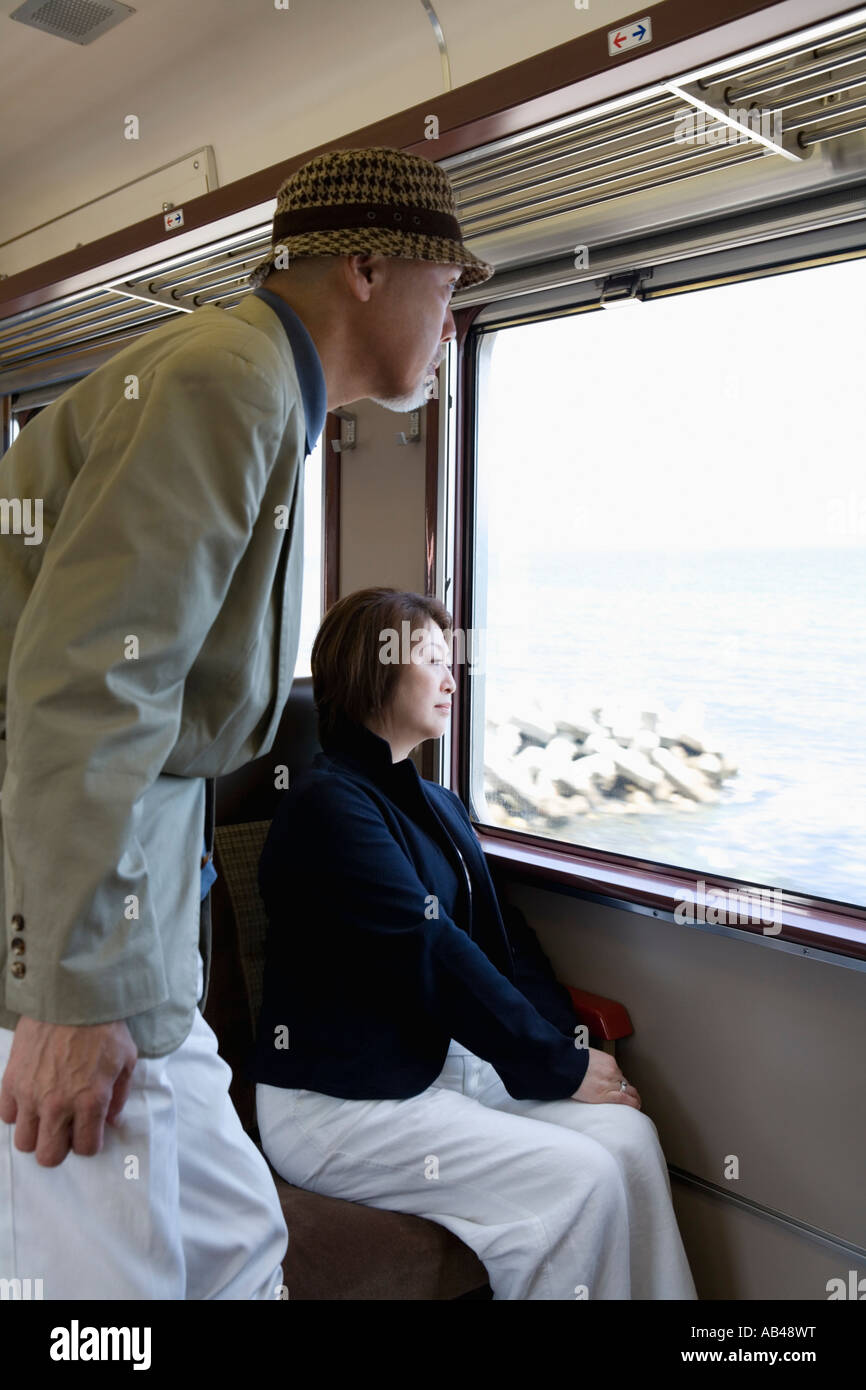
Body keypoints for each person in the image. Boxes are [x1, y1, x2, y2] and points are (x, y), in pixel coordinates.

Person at [0, 147, 493, 1298]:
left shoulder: (266, 392)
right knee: (104, 1288)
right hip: (68, 904)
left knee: (236, 1248)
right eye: (449, 280)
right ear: (368, 265)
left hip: (139, 894)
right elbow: (91, 689)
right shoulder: (223, 380)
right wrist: (75, 997)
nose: (456, 310)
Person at [251, 588, 698, 1300]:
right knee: (580, 1180)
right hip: (342, 1102)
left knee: (629, 1140)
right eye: (432, 661)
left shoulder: (439, 805)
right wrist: (552, 1065)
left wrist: (571, 1041)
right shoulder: (326, 806)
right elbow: (429, 950)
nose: (453, 679)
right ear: (374, 674)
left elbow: (505, 945)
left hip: (442, 1069)